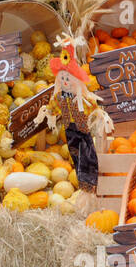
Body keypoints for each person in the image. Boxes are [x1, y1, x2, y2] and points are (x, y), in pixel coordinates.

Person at [42, 37, 113, 191]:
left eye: (68, 78)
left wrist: (102, 116)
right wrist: (48, 115)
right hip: (69, 128)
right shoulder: (60, 96)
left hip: (82, 127)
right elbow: (52, 108)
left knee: (87, 151)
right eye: (62, 78)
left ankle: (91, 179)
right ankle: (84, 181)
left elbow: (93, 106)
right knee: (75, 153)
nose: (65, 81)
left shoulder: (82, 97)